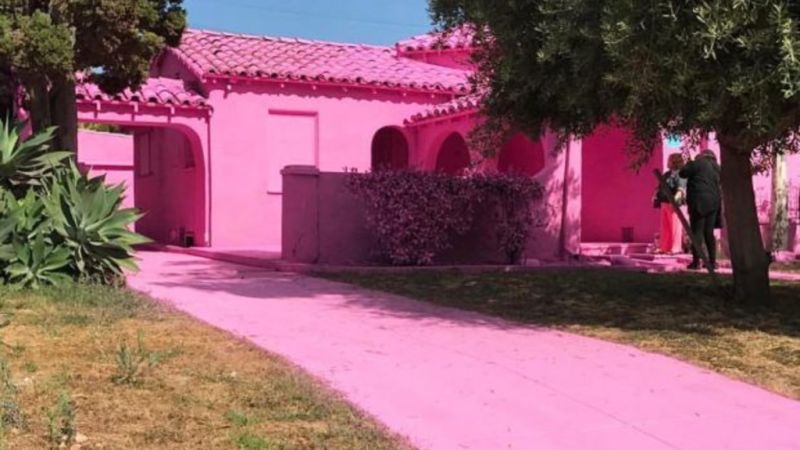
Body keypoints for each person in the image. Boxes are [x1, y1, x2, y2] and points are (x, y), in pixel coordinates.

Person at [679, 149, 722, 270]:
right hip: (714, 202)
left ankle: (696, 262)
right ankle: (712, 262)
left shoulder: (696, 163)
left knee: (697, 232)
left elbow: (682, 173)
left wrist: (689, 162)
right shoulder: (717, 167)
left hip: (698, 201)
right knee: (709, 232)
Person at [654, 153, 687, 254]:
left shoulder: (680, 173)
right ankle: (664, 247)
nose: (668, 162)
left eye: (670, 160)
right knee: (665, 226)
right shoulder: (667, 174)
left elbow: (681, 189)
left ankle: (676, 248)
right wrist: (655, 196)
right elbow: (659, 187)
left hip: (674, 204)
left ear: (675, 161)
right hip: (664, 202)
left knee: (675, 226)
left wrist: (675, 201)